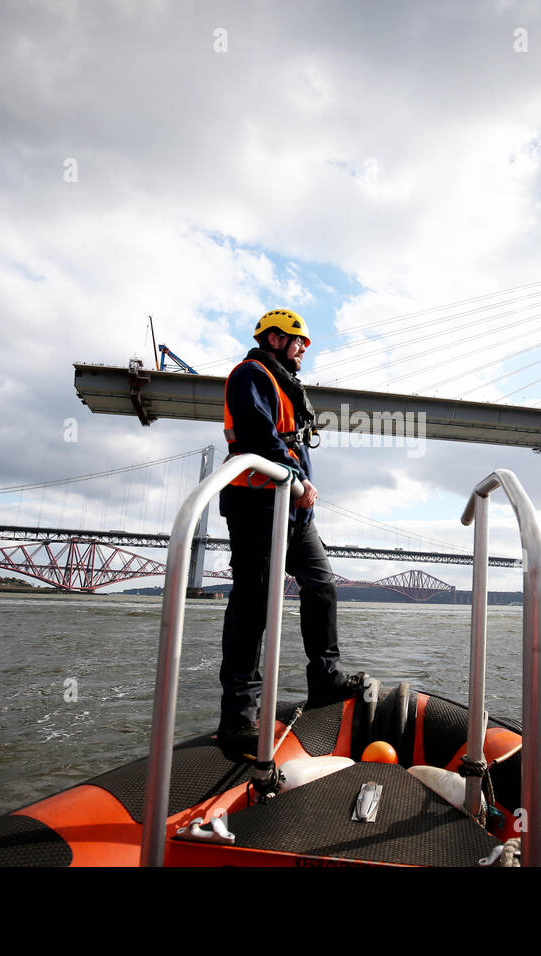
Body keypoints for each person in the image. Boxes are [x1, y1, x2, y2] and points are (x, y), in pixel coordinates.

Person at [215, 309, 363, 758]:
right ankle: (240, 716)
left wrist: (297, 485)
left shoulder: (284, 382)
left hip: (294, 509)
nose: (304, 349)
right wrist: (296, 476)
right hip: (257, 505)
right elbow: (259, 437)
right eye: (299, 341)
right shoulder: (251, 374)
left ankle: (326, 680)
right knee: (253, 604)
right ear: (275, 338)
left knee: (321, 586)